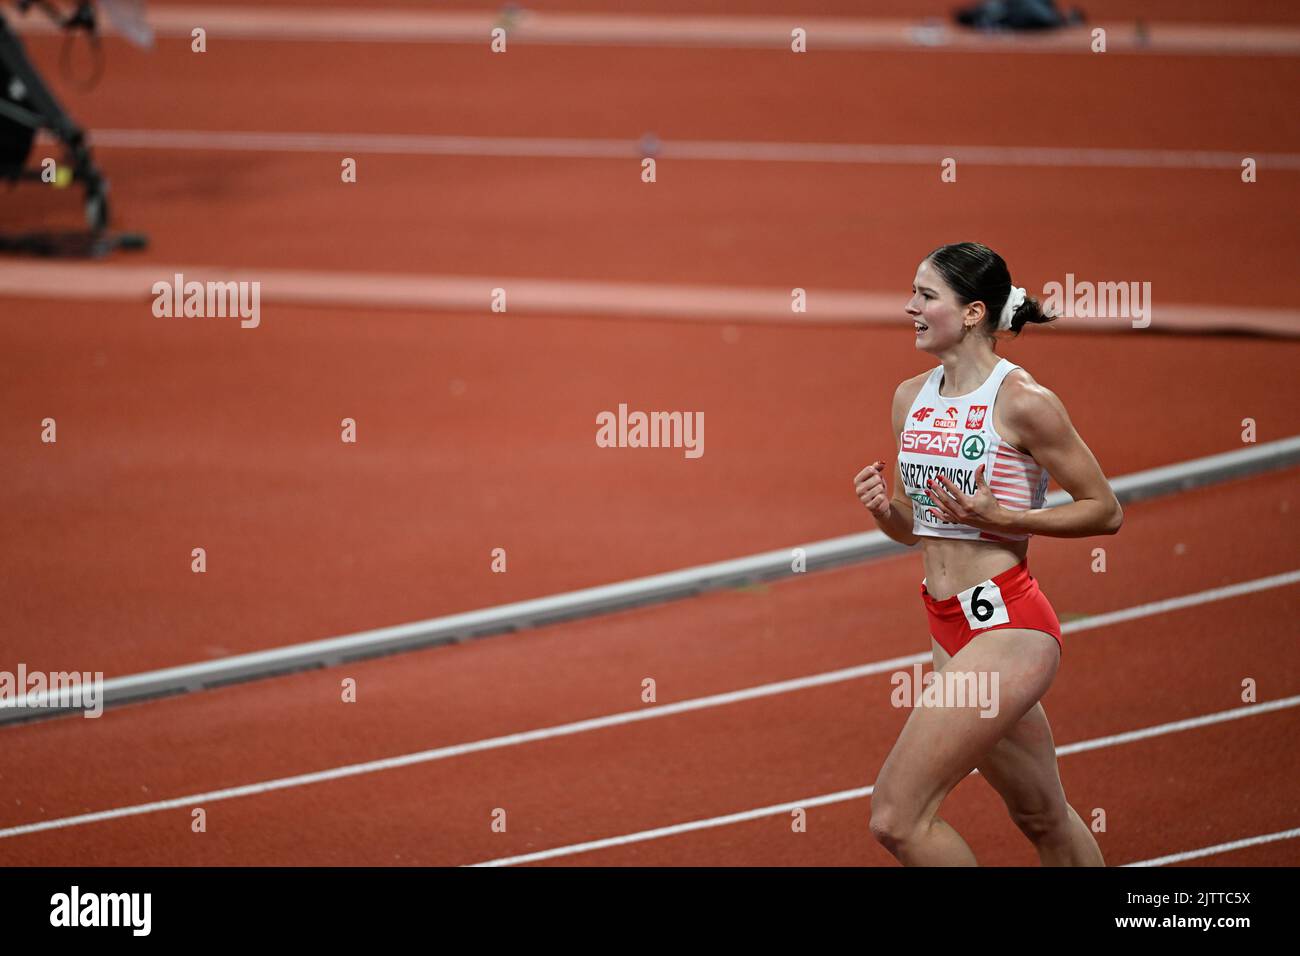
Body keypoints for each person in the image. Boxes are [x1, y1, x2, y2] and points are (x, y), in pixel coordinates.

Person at [852, 241, 1121, 866]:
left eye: (926, 296)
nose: (909, 306)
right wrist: (882, 511)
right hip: (949, 628)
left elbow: (1105, 509)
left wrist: (1009, 517)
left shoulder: (1023, 402)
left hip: (1008, 626)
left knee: (898, 816)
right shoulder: (909, 397)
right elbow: (916, 527)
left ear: (973, 312)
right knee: (1042, 816)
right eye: (912, 293)